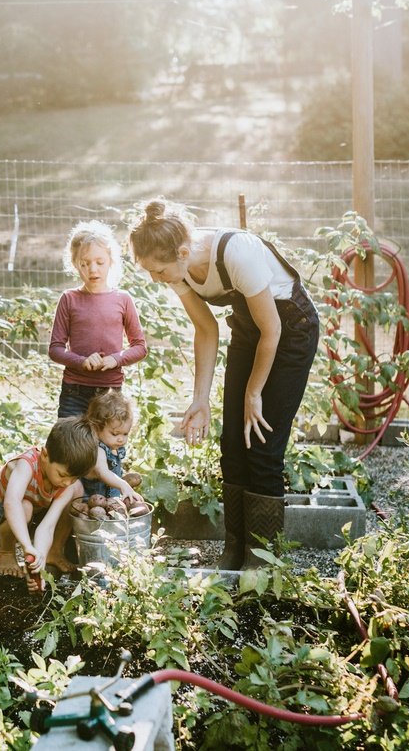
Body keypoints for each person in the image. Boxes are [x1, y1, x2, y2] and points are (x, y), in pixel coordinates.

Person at [128, 199, 319, 569]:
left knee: (261, 443)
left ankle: (262, 561)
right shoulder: (180, 268)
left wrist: (254, 392)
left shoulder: (237, 253)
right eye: (151, 271)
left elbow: (274, 329)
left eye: (159, 270)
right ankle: (236, 551)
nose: (156, 278)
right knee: (232, 443)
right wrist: (200, 399)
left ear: (182, 252)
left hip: (291, 331)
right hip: (251, 333)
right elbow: (206, 328)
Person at [0, 416, 96, 588]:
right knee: (25, 506)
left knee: (76, 489)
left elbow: (47, 526)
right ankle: (6, 551)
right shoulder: (26, 465)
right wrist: (26, 545)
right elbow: (12, 503)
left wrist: (37, 563)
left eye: (74, 477)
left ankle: (53, 552)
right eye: (62, 475)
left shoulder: (67, 482)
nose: (66, 482)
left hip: (34, 517)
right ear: (45, 455)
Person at [49, 220, 147, 419]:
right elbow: (55, 349)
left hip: (110, 393)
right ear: (75, 264)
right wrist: (82, 361)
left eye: (99, 262)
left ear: (111, 260)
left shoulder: (123, 300)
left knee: (107, 450)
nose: (93, 270)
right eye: (84, 264)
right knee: (70, 448)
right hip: (73, 392)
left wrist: (116, 359)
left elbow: (140, 347)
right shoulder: (69, 299)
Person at [82, 389, 145, 502]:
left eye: (125, 433)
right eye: (115, 434)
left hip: (111, 501)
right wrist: (123, 485)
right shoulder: (98, 450)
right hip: (93, 503)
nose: (121, 439)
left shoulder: (114, 446)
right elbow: (103, 472)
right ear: (97, 428)